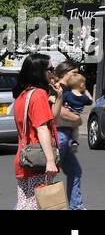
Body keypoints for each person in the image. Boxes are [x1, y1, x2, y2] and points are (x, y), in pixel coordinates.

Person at [12, 53, 60, 210]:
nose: (52, 73)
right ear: (39, 72)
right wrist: (51, 160)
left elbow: (50, 120)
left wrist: (58, 98)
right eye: (50, 69)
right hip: (37, 162)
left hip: (24, 160)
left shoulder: (22, 96)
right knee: (38, 206)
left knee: (25, 205)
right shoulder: (39, 95)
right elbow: (42, 128)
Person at [53, 66, 89, 210]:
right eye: (73, 72)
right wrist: (77, 119)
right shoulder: (57, 88)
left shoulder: (69, 90)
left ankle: (76, 207)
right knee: (48, 174)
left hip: (67, 135)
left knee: (75, 171)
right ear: (64, 73)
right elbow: (59, 111)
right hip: (59, 133)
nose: (76, 75)